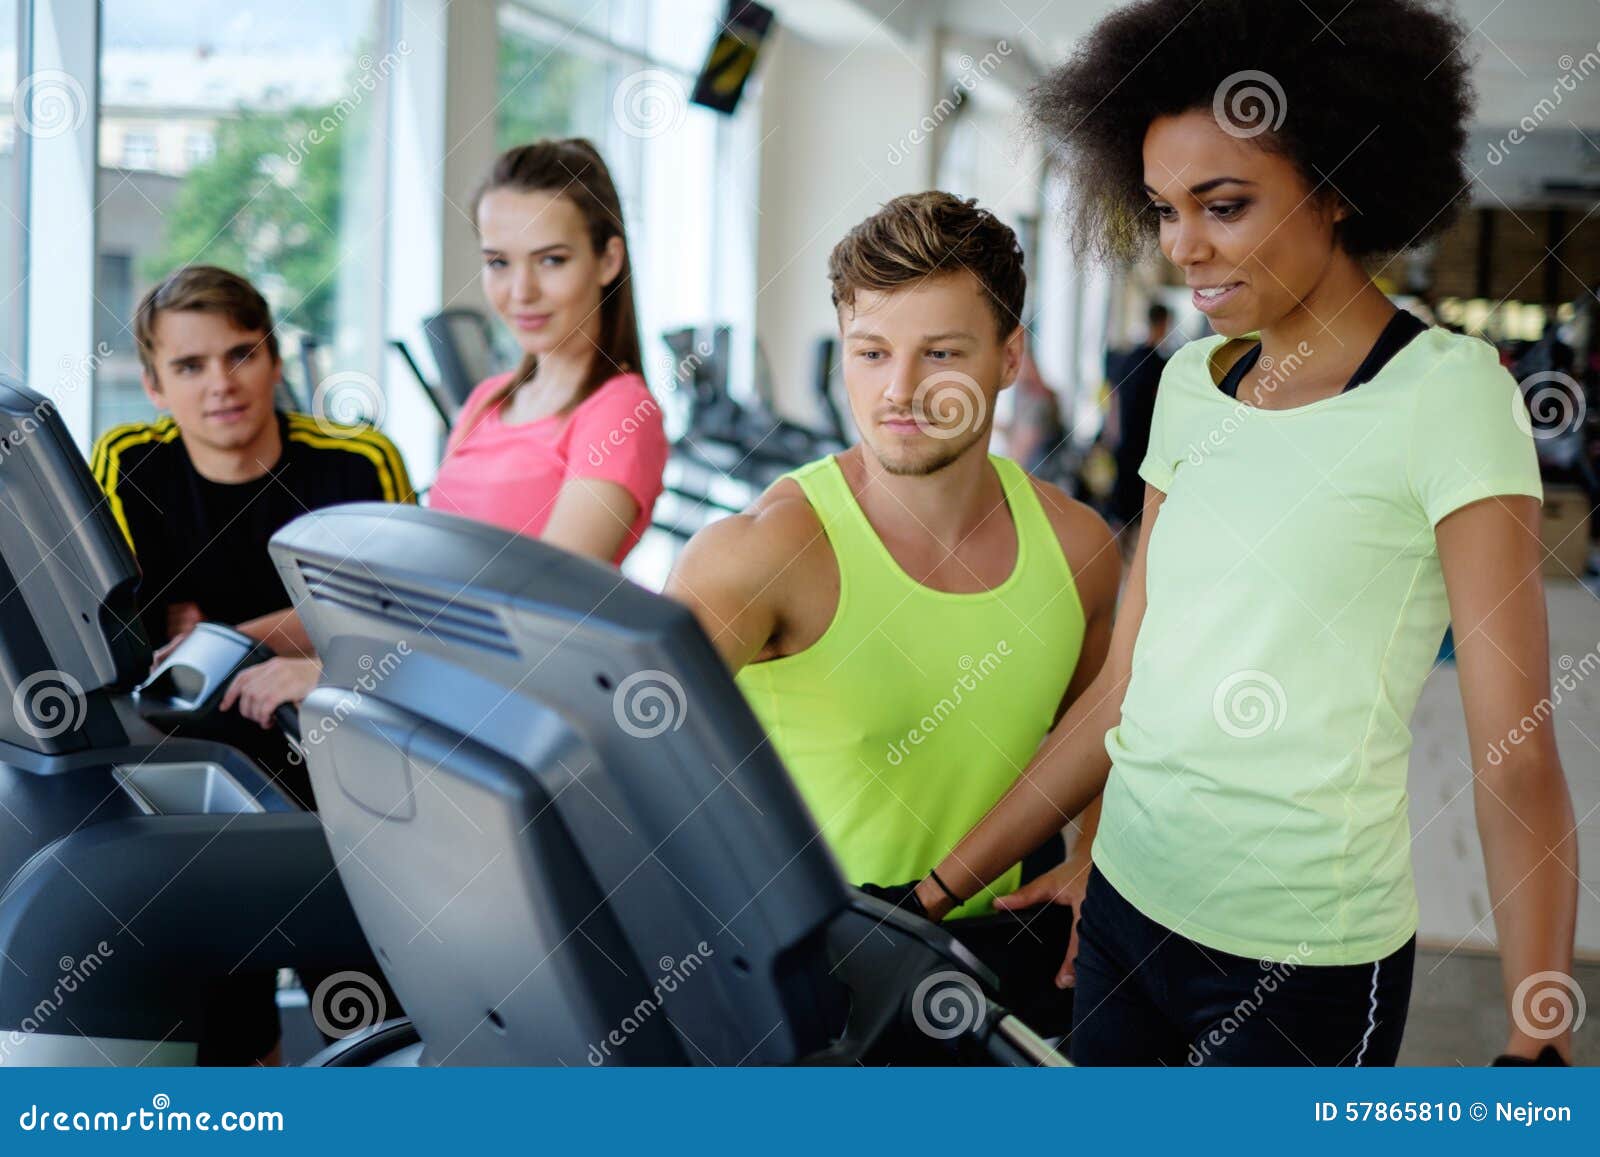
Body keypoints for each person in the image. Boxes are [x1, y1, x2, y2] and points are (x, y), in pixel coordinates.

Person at [904, 0, 1577, 1067]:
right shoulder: (1187, 385)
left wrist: (1534, 1032)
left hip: (1298, 962)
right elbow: (1125, 682)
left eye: (1222, 205)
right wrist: (929, 893)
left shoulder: (1445, 397)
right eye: (1165, 209)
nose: (1183, 248)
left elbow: (1515, 753)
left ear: (1340, 185)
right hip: (1124, 907)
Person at [665, 192, 1120, 1010]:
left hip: (994, 969)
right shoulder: (763, 552)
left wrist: (1094, 855)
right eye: (870, 353)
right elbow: (625, 767)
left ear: (1010, 358)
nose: (900, 390)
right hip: (804, 976)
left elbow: (1106, 732)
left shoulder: (1079, 549)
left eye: (941, 353)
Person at [224, 139, 670, 726]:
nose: (521, 292)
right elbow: (421, 593)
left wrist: (341, 672)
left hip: (526, 724)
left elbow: (539, 620)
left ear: (608, 260)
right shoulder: (487, 402)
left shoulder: (619, 413)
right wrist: (238, 643)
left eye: (552, 260)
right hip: (438, 710)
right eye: (498, 263)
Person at [90, 264, 415, 1066]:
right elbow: (124, 643)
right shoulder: (130, 462)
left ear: (275, 359)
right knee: (223, 1041)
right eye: (190, 366)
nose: (221, 384)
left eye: (240, 354)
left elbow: (402, 620)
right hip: (200, 779)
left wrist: (229, 635)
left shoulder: (358, 462)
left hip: (342, 772)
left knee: (371, 1026)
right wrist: (313, 623)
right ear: (154, 384)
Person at [1103, 302, 1171, 528]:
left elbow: (1113, 399)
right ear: (1163, 324)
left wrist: (1111, 433)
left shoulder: (1128, 359)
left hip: (1124, 442)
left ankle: (1118, 557)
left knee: (1121, 511)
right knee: (1139, 511)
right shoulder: (1162, 365)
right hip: (1146, 447)